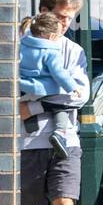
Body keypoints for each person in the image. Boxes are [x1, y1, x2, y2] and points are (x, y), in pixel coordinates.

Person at [19, 0, 89, 205]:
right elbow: (12, 90)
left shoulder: (74, 51)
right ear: (45, 12)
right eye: (61, 17)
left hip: (66, 142)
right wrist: (53, 96)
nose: (65, 25)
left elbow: (79, 96)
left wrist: (36, 102)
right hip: (28, 142)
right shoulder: (23, 45)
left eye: (70, 19)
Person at [19, 11, 81, 158]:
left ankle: (31, 126)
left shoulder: (22, 45)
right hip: (44, 90)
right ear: (53, 36)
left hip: (24, 88)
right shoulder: (51, 51)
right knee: (61, 107)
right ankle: (59, 133)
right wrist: (72, 87)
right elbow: (59, 73)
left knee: (31, 108)